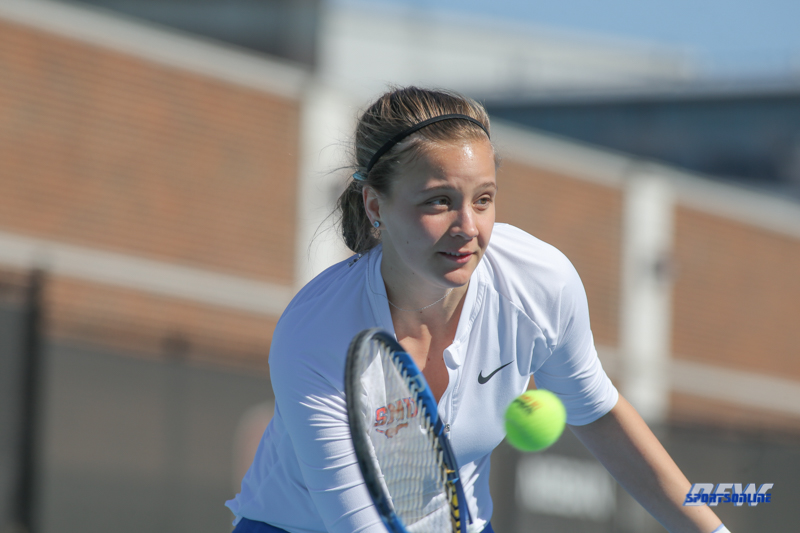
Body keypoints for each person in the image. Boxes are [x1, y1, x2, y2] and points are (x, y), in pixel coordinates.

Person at [226, 87, 729, 533]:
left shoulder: (540, 285)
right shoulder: (315, 335)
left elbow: (597, 415)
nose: (469, 226)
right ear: (375, 207)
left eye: (483, 199)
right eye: (438, 202)